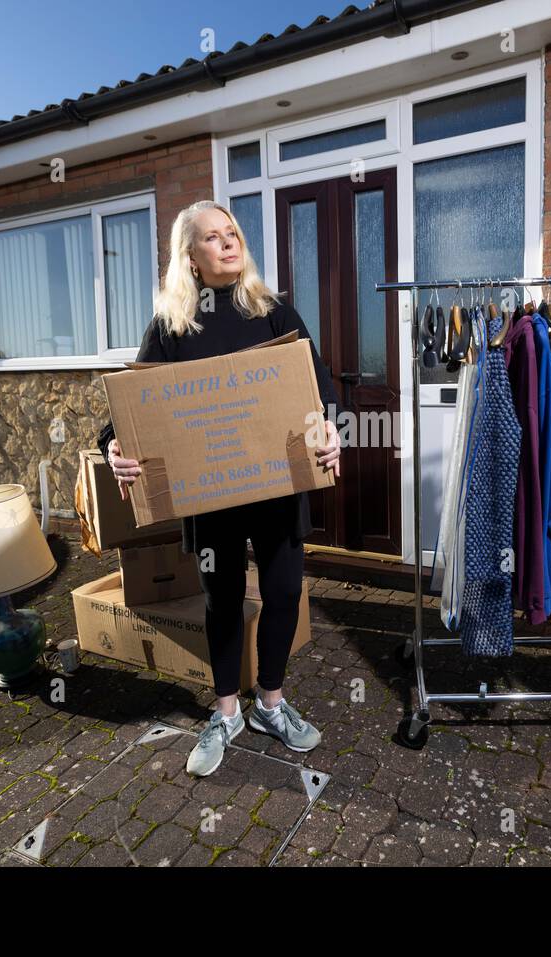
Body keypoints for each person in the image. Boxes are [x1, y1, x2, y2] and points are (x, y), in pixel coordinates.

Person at [97, 199, 342, 777]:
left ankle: (271, 705)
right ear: (191, 255)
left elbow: (320, 384)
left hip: (277, 487)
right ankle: (226, 710)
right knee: (222, 597)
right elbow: (130, 406)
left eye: (232, 233)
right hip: (210, 493)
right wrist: (113, 445)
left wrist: (331, 429)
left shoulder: (275, 311)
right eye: (213, 237)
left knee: (283, 592)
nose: (229, 243)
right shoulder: (172, 327)